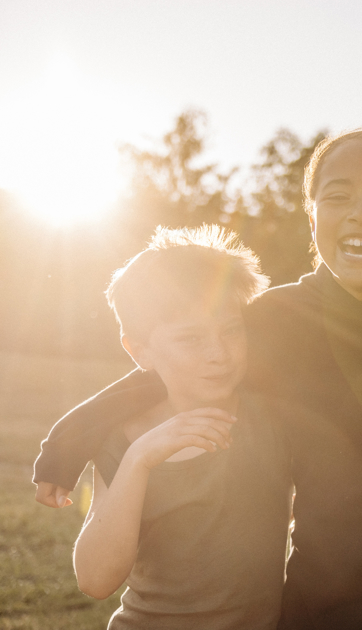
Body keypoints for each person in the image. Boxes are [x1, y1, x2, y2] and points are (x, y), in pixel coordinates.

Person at [33, 127, 362, 628]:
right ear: (313, 215)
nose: (361, 213)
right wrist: (69, 441)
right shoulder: (277, 317)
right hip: (314, 608)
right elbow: (172, 370)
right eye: (339, 196)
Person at [74, 225, 289, 629]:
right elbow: (95, 579)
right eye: (190, 339)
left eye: (231, 330)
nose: (219, 354)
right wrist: (140, 459)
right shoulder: (124, 440)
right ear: (140, 350)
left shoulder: (270, 419)